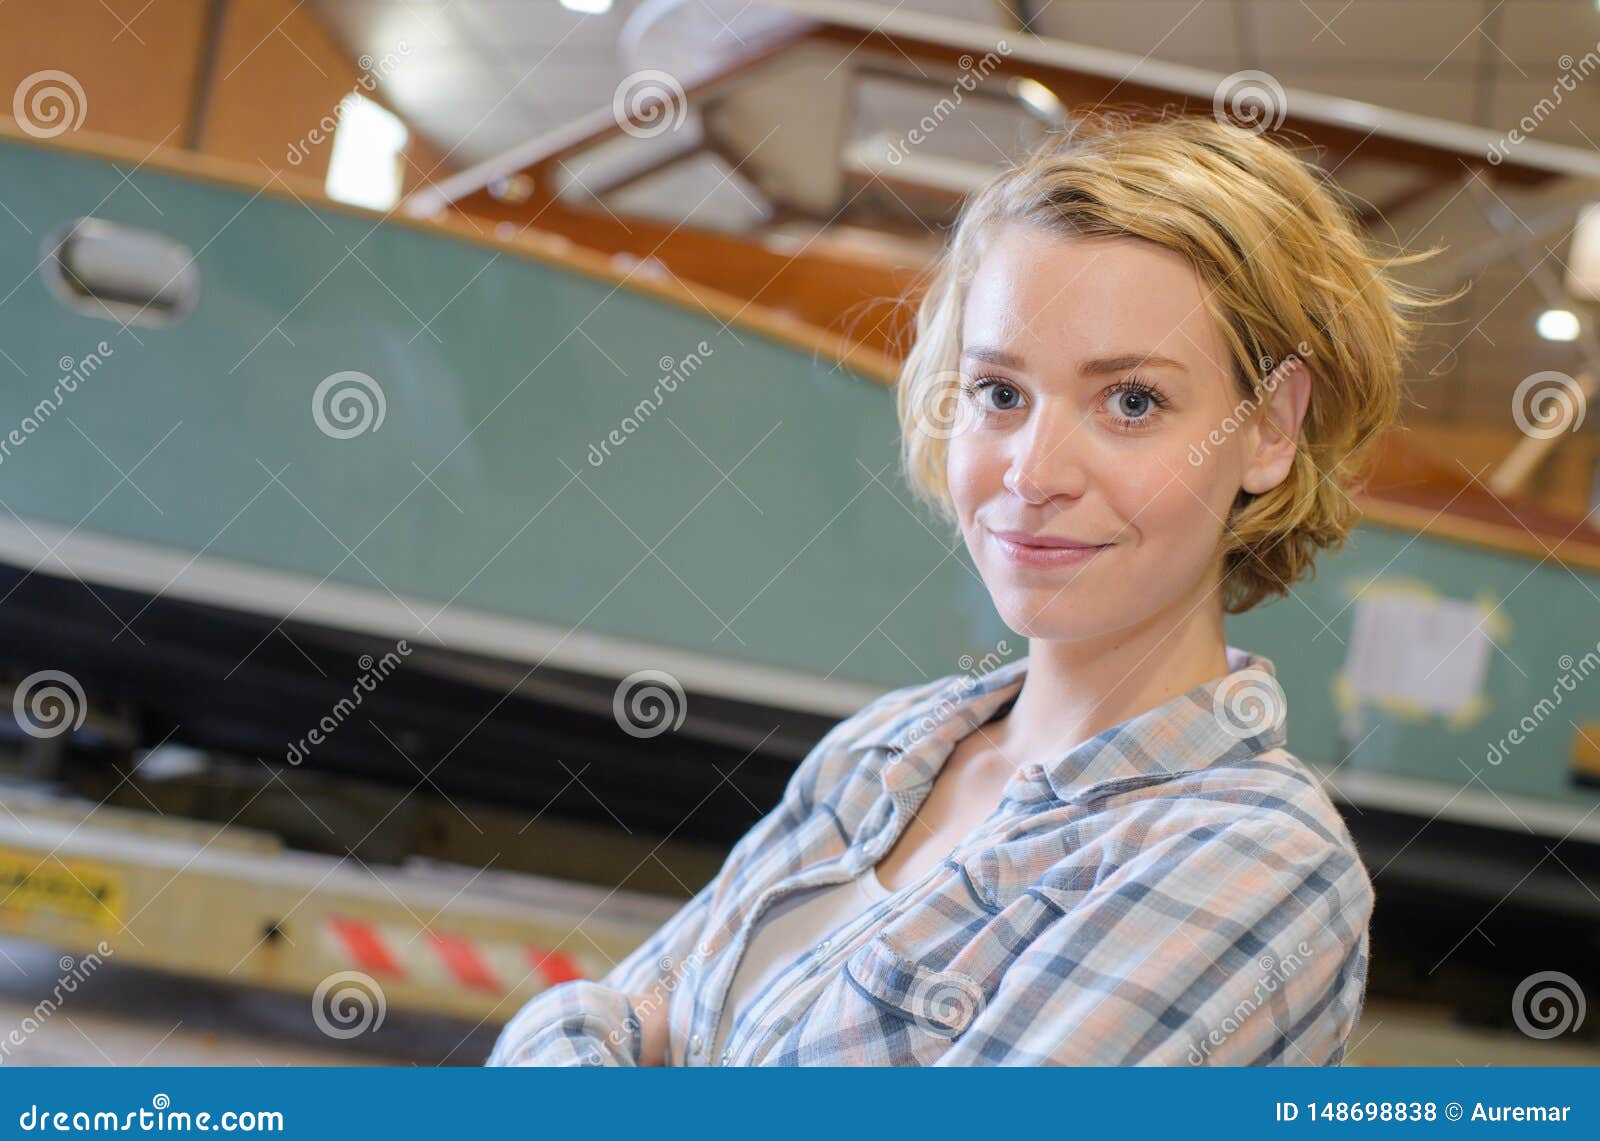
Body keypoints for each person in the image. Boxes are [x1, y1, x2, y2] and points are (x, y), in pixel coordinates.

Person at [486, 113, 1439, 1067]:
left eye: (1132, 400)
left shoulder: (1258, 868)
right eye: (1000, 393)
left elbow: (611, 1035)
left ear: (1270, 426)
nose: (1034, 472)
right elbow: (616, 1007)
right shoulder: (883, 749)